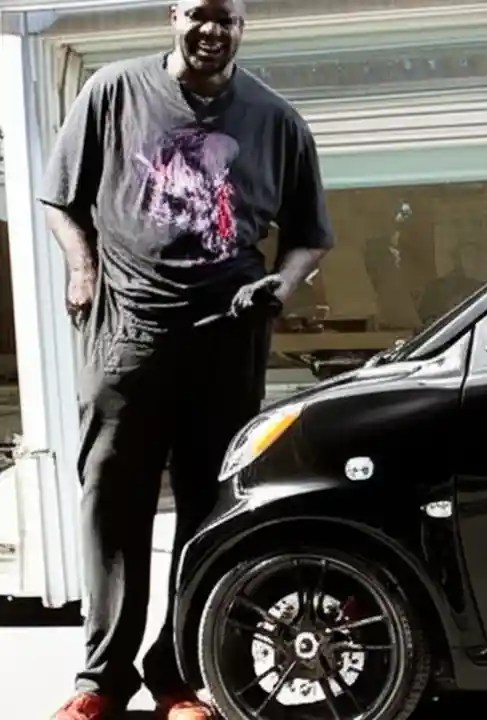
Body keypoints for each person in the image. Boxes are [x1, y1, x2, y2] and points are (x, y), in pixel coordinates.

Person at [40, 1, 333, 718]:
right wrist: (83, 271)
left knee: (207, 511)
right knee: (113, 504)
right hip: (126, 334)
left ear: (242, 25)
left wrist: (281, 285)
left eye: (227, 18)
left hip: (226, 342)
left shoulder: (276, 119)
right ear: (174, 15)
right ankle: (100, 681)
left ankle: (176, 677)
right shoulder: (114, 90)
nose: (213, 30)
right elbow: (59, 200)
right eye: (199, 14)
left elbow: (310, 236)